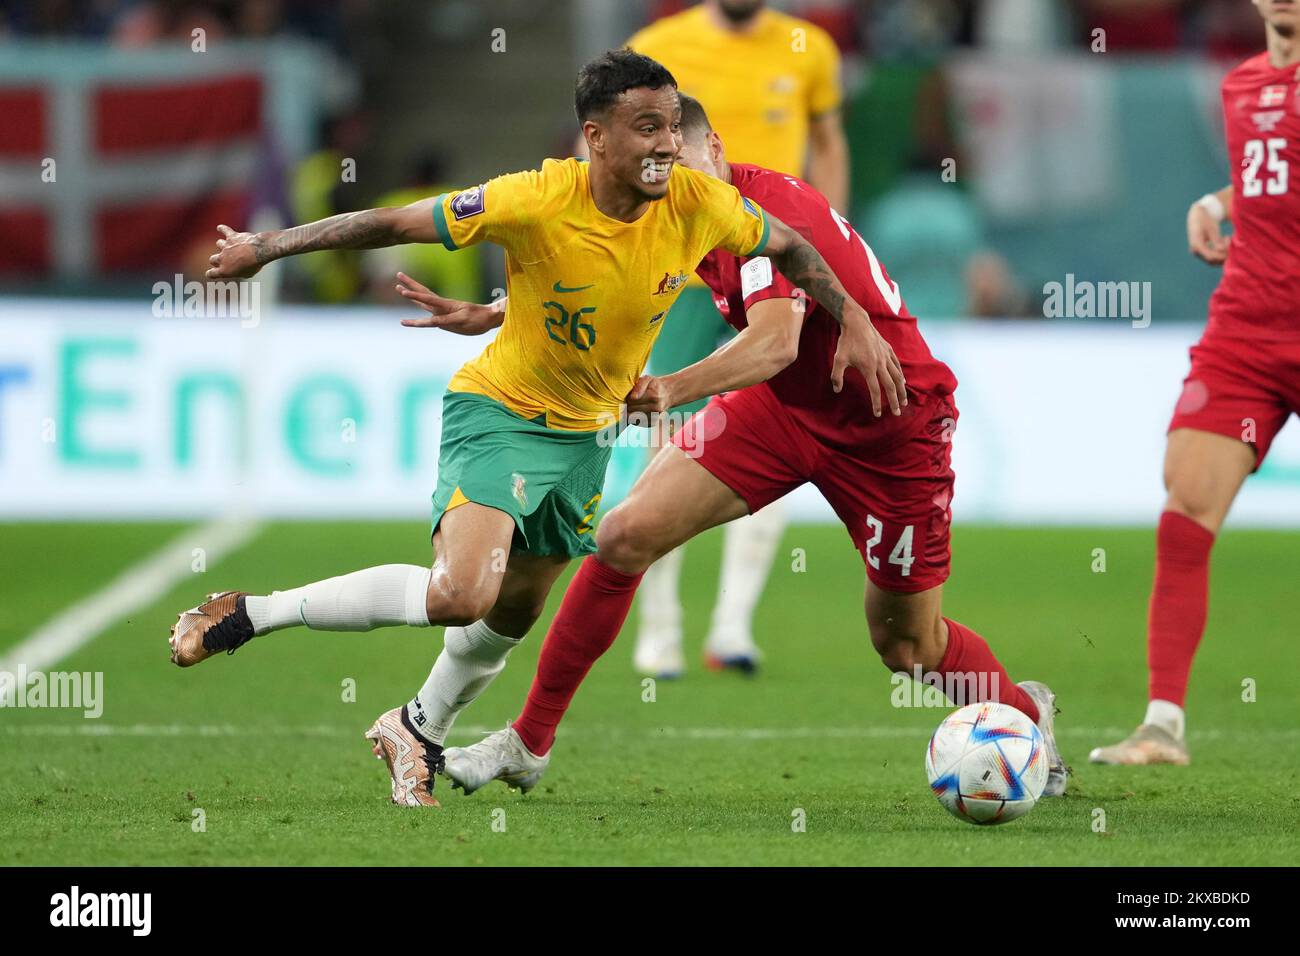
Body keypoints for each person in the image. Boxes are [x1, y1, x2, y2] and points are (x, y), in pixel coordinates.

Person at [167, 51, 906, 808]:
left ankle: (414, 730)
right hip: (503, 414)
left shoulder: (695, 204)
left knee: (512, 612)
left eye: (672, 126)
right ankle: (247, 613)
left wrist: (852, 321)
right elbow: (392, 221)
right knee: (461, 594)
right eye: (645, 127)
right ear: (597, 137)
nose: (663, 144)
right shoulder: (534, 197)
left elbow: (790, 247)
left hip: (588, 438)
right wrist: (267, 247)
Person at [419, 94, 1068, 801]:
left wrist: (671, 388)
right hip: (783, 410)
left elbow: (774, 341)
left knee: (907, 646)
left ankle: (1028, 720)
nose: (676, 184)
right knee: (624, 535)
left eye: (686, 163)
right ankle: (528, 741)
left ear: (718, 150)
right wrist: (506, 310)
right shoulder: (673, 210)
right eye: (660, 170)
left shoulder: (765, 213)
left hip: (892, 424)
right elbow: (609, 277)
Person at [1090, 0, 1300, 767]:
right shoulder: (1243, 82)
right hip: (1244, 333)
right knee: (1185, 506)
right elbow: (1273, 180)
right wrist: (1215, 201)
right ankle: (1163, 724)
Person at [623, 0, 851, 678]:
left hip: (779, 267)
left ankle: (732, 626)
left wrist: (826, 238)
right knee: (668, 444)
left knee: (781, 436)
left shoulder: (810, 48)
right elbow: (607, 147)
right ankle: (659, 629)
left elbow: (830, 144)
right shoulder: (659, 45)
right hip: (685, 277)